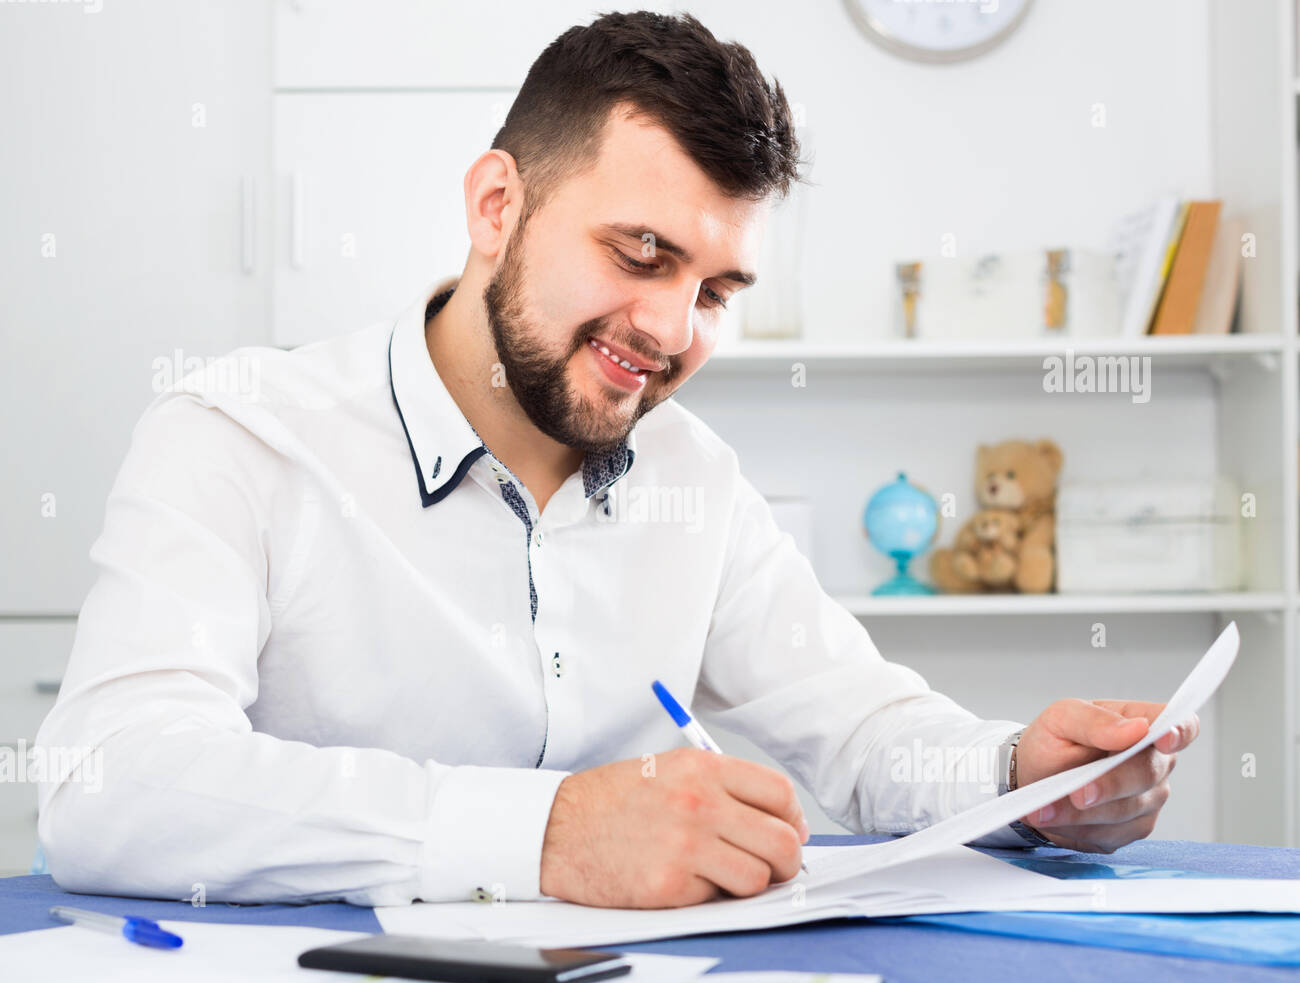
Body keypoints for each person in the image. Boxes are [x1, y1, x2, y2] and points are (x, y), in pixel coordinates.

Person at [35, 11, 1195, 909]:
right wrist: (545, 835)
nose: (674, 328)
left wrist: (1022, 775)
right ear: (497, 205)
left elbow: (860, 730)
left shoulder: (695, 477)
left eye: (717, 289)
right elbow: (110, 781)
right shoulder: (239, 436)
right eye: (641, 251)